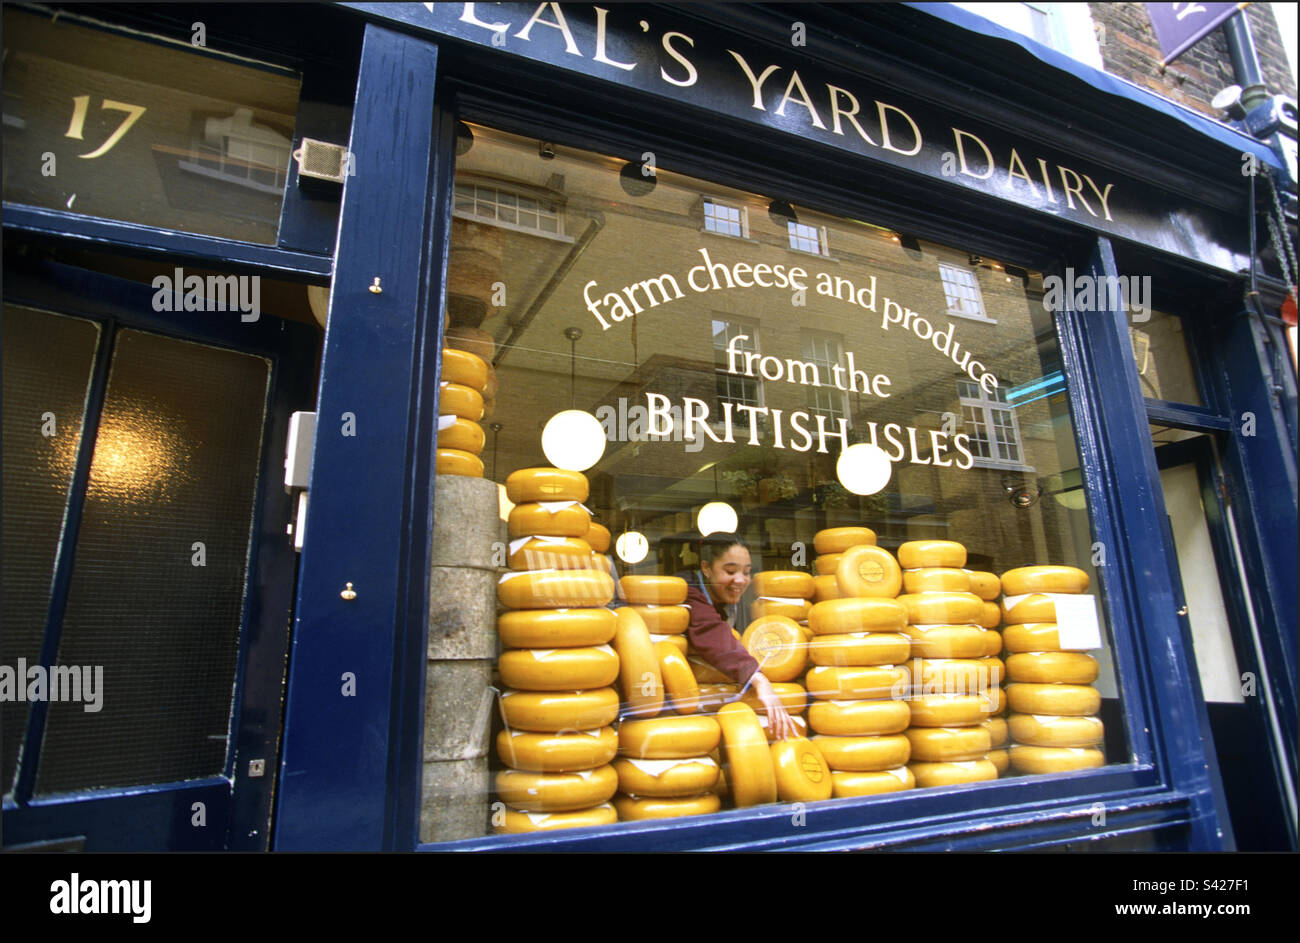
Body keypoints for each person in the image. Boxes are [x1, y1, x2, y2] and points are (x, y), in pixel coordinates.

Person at [680, 534, 797, 740]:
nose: (741, 580)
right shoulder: (685, 591)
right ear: (706, 568)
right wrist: (759, 680)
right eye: (730, 571)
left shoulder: (730, 599)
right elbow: (711, 632)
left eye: (747, 572)